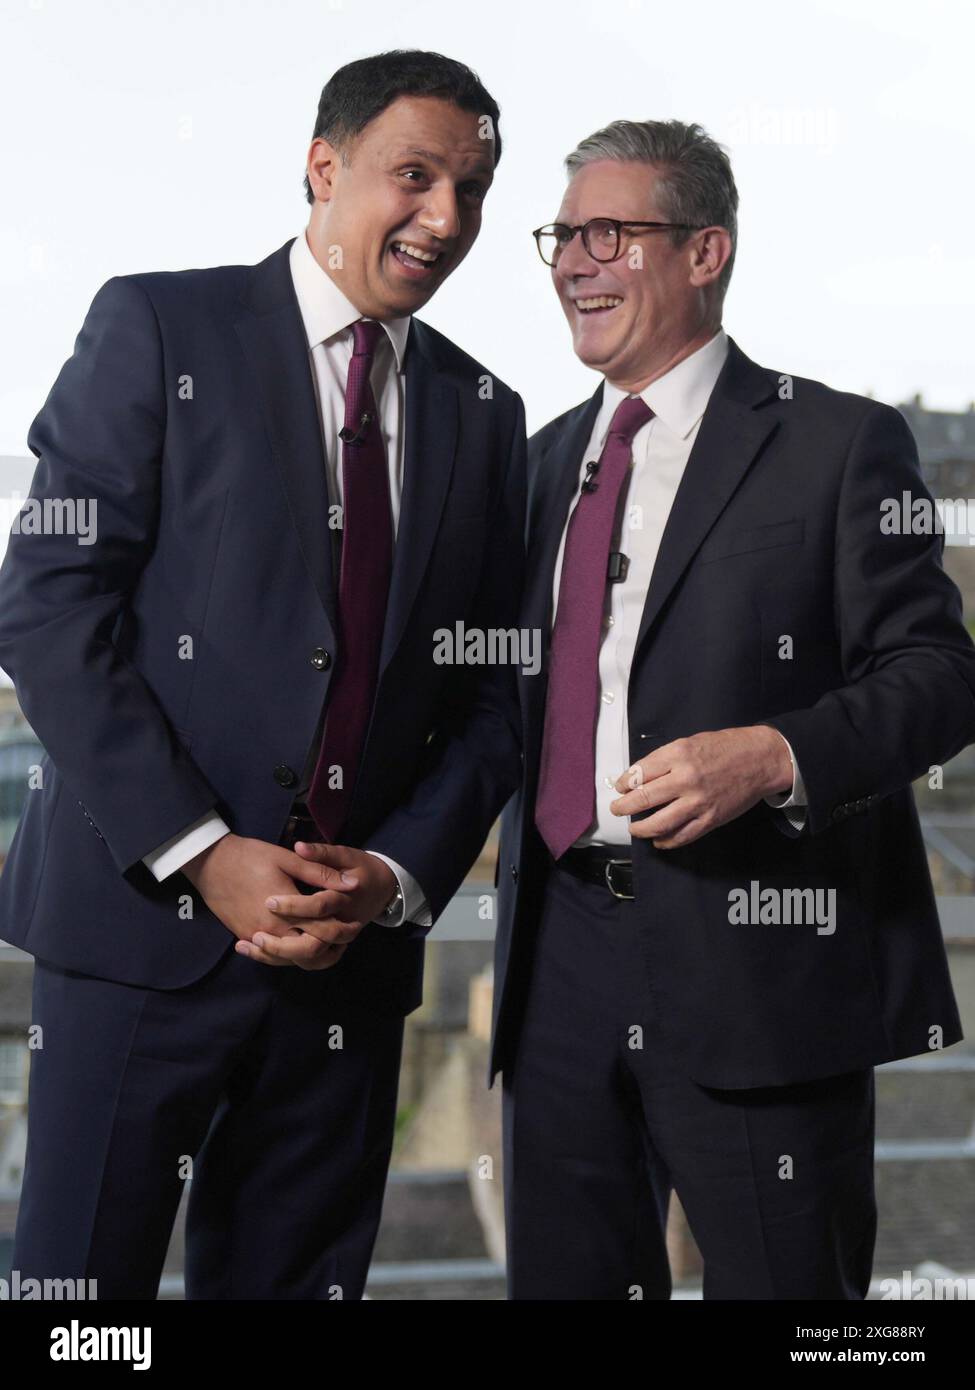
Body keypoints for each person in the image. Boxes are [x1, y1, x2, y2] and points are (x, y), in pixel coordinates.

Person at [0, 48, 525, 1300]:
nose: (445, 218)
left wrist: (395, 875)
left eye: (473, 189)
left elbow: (501, 685)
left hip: (348, 963)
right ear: (322, 164)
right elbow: (47, 603)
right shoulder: (159, 324)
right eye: (415, 175)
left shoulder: (486, 410)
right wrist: (203, 851)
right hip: (141, 934)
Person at [492, 118, 973, 1300]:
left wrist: (774, 755)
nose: (571, 261)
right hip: (553, 963)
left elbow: (940, 675)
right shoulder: (540, 462)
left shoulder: (840, 442)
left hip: (758, 957)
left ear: (705, 252)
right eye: (562, 234)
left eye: (609, 232)